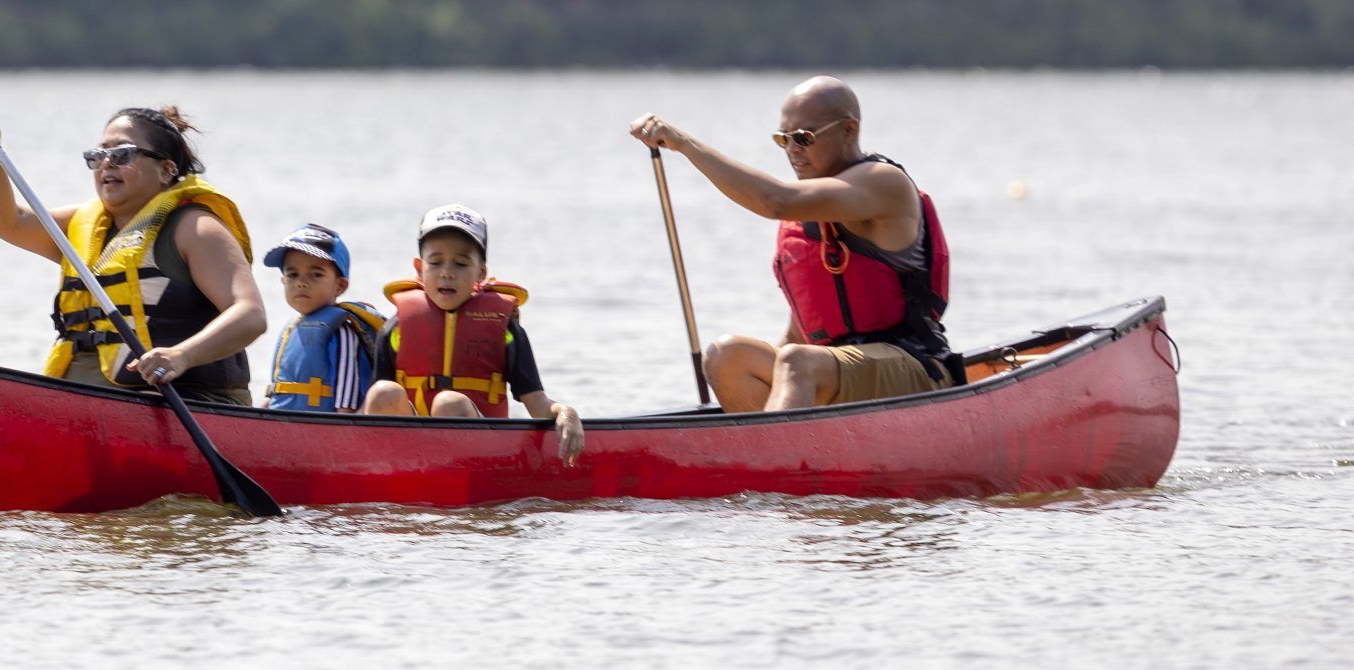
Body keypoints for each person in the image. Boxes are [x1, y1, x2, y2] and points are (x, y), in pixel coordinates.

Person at [628, 75, 957, 412]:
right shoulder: (809, 215)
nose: (792, 150)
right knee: (727, 356)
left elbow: (774, 200)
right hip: (834, 367)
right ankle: (764, 453)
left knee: (797, 362)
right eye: (783, 139)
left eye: (803, 137)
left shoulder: (882, 183)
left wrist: (683, 143)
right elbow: (799, 337)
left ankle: (772, 460)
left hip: (915, 368)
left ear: (849, 130)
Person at [0, 105, 266, 405]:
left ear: (166, 169)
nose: (107, 163)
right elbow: (5, 221)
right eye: (98, 156)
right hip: (86, 400)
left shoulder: (196, 228)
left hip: (183, 401)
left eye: (122, 154)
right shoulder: (81, 225)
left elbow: (250, 314)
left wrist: (181, 356)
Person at [361, 205, 584, 464]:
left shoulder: (506, 331)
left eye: (461, 263)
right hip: (407, 454)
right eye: (436, 262)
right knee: (382, 392)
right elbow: (372, 408)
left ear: (480, 272)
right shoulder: (396, 328)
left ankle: (454, 483)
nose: (447, 272)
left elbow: (538, 404)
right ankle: (384, 475)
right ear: (420, 268)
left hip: (481, 454)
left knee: (448, 403)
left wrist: (566, 413)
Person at [261, 222, 387, 414]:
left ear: (340, 286)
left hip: (327, 428)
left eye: (315, 274)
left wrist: (341, 431)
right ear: (283, 281)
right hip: (287, 426)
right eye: (293, 275)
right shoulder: (291, 329)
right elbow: (276, 390)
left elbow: (347, 400)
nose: (301, 283)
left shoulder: (342, 330)